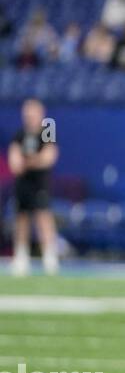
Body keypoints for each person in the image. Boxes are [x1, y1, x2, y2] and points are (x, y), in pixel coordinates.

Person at [9, 99, 59, 276]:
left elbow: (49, 156)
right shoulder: (20, 134)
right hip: (23, 184)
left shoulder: (47, 130)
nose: (29, 116)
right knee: (21, 219)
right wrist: (21, 162)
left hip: (40, 183)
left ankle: (49, 257)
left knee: (43, 217)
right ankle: (21, 256)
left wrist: (30, 162)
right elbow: (14, 160)